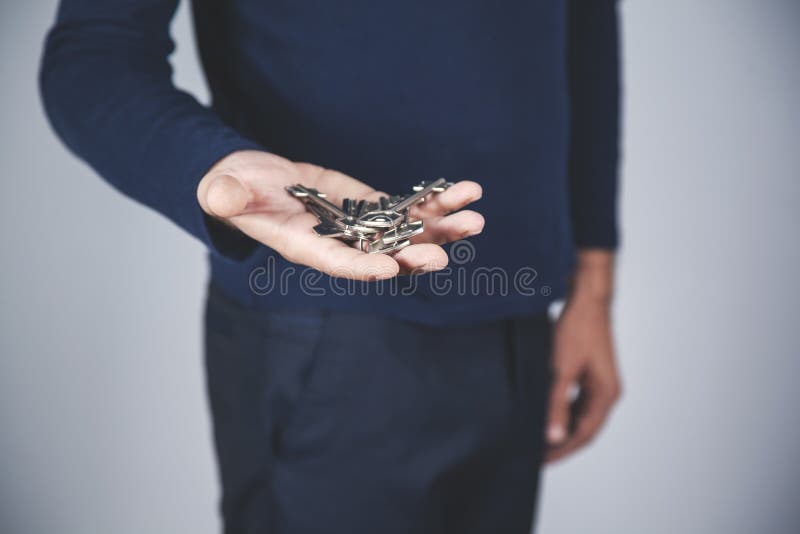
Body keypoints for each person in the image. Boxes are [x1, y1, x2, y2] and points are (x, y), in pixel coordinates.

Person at [40, 1, 623, 532]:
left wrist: (592, 285)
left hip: (518, 321)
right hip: (319, 326)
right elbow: (93, 55)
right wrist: (221, 166)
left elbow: (585, 32)